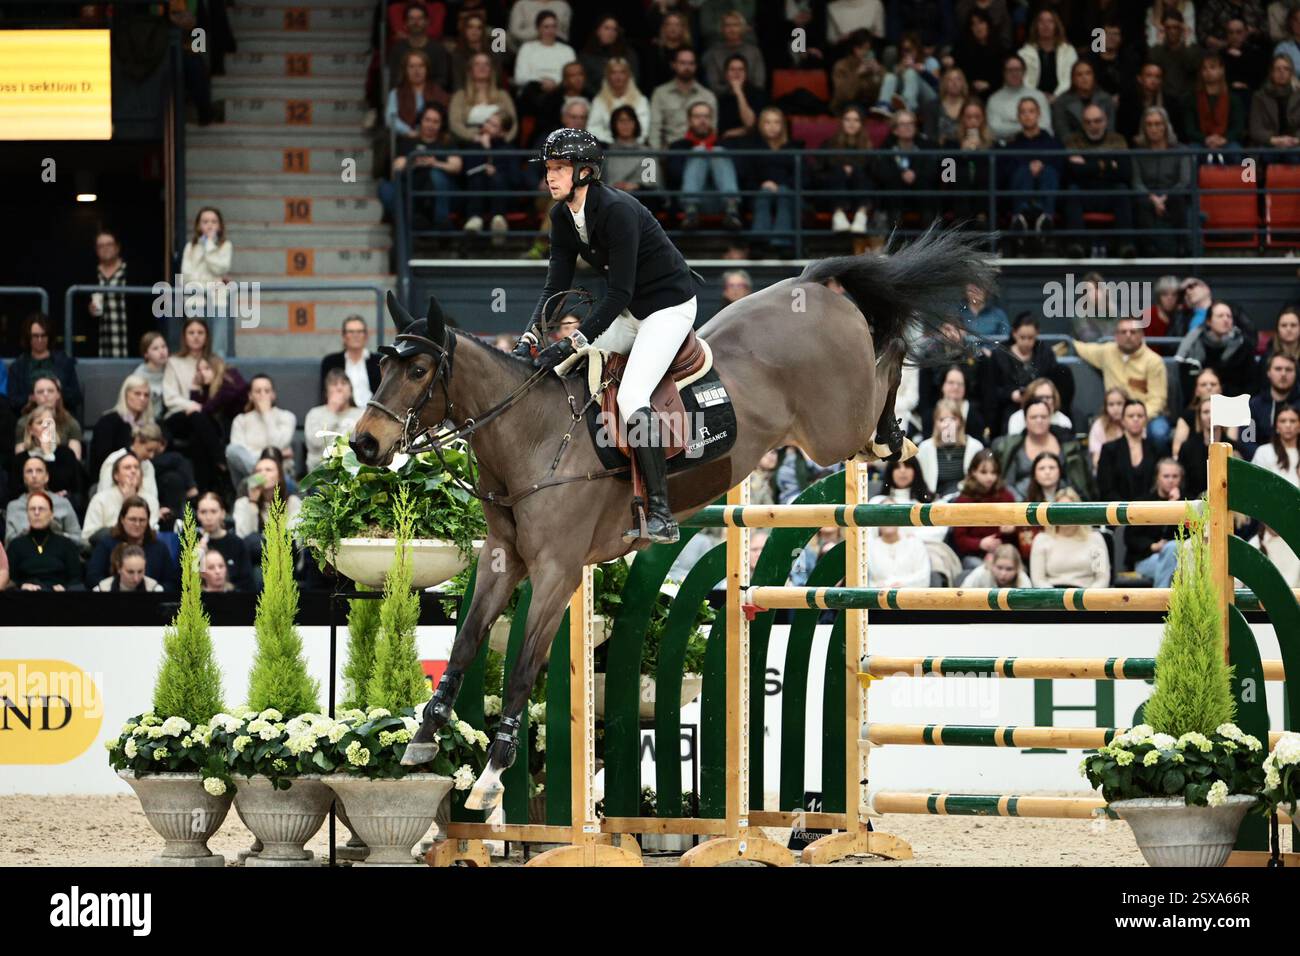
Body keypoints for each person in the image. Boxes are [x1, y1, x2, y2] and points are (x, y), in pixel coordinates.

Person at [513, 127, 699, 543]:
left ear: (584, 172)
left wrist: (576, 339)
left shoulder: (615, 209)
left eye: (558, 168)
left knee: (633, 396)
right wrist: (531, 334)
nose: (550, 176)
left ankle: (661, 512)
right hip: (631, 312)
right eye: (548, 168)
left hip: (667, 308)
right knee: (561, 367)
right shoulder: (561, 216)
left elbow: (619, 292)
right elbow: (554, 287)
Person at [1072, 317, 1172, 450]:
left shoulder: (1154, 361)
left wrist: (1135, 417)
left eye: (1133, 332)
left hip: (1147, 416)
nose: (1128, 336)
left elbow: (1158, 400)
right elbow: (1080, 348)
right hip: (1113, 414)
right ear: (1116, 335)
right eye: (1123, 332)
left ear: (1141, 335)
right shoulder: (1107, 352)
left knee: (1159, 432)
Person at [982, 312, 1072, 437]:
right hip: (1009, 408)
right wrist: (1011, 394)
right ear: (1014, 333)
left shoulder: (1045, 354)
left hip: (1043, 406)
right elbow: (991, 389)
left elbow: (1052, 383)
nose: (1026, 342)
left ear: (1037, 335)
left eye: (1031, 338)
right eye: (1022, 337)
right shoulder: (1000, 355)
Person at [1061, 103, 1134, 257]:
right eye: (1088, 122)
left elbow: (1125, 173)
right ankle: (1077, 245)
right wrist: (1107, 164)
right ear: (1083, 123)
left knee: (1122, 190)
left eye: (1097, 121)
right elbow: (1072, 173)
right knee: (1072, 191)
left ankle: (1125, 245)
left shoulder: (1117, 140)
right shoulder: (1073, 141)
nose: (1093, 126)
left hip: (1109, 192)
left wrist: (1087, 165)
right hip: (1084, 192)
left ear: (1105, 121)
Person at [162, 318, 226, 491]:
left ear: (207, 336)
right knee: (198, 419)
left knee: (199, 438)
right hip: (178, 416)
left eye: (200, 333)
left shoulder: (214, 362)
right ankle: (220, 461)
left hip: (203, 420)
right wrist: (191, 405)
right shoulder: (174, 362)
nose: (196, 337)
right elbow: (170, 397)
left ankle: (202, 494)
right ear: (184, 337)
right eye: (191, 333)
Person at [993, 398, 1093, 497]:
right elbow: (1007, 484)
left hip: (1063, 503)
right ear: (1025, 420)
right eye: (1033, 417)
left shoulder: (1068, 444)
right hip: (1022, 505)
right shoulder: (1012, 447)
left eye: (1043, 416)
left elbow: (1078, 480)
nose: (1039, 420)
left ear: (1050, 418)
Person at [668, 100, 743, 230]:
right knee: (699, 152)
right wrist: (699, 158)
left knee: (717, 151)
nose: (702, 121)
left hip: (721, 202)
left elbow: (741, 173)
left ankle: (732, 209)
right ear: (689, 121)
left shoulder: (725, 144)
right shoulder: (678, 146)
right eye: (697, 117)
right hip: (688, 203)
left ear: (712, 120)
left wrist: (712, 159)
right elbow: (674, 175)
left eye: (706, 117)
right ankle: (691, 211)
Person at [999, 96, 1064, 234]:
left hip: (1047, 193)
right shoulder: (1011, 146)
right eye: (1023, 112)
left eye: (1031, 111)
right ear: (1018, 116)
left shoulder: (1053, 143)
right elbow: (1005, 173)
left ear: (1039, 114)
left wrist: (1042, 166)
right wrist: (1028, 167)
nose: (1027, 115)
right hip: (1019, 192)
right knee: (1022, 171)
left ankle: (1046, 217)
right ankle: (1020, 218)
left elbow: (1061, 168)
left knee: (1049, 171)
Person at [1132, 106, 1192, 256]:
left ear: (1166, 126)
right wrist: (1153, 198)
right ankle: (1149, 250)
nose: (1154, 129)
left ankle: (1182, 247)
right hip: (1148, 195)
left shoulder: (1181, 151)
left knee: (1178, 199)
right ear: (1144, 128)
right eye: (1149, 124)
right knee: (1140, 202)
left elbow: (1184, 181)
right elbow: (1137, 182)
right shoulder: (1137, 153)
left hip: (1172, 194)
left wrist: (1165, 197)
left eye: (1158, 124)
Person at [743, 107, 802, 257]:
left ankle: (783, 243)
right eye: (767, 122)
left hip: (788, 193)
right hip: (760, 193)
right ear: (761, 125)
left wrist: (781, 185)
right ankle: (759, 242)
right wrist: (763, 185)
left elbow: (802, 177)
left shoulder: (794, 147)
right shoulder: (753, 148)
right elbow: (748, 178)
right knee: (765, 193)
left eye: (776, 122)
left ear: (783, 125)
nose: (772, 126)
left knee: (783, 192)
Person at [85, 496, 176, 590]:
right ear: (122, 519)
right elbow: (92, 578)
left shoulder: (159, 547)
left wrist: (156, 589)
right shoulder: (106, 544)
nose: (137, 524)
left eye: (142, 520)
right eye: (132, 519)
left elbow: (171, 582)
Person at [1029, 488, 1111, 587]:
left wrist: (1087, 598)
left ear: (1079, 511)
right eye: (1059, 510)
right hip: (1052, 596)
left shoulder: (1096, 539)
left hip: (1086, 595)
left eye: (1069, 509)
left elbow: (1102, 578)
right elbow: (1038, 580)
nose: (1064, 514)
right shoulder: (1041, 540)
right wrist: (1055, 598)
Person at [1175, 300, 1257, 399]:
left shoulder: (1243, 345)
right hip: (1199, 402)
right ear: (1209, 321)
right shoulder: (1194, 343)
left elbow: (1250, 383)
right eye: (1220, 316)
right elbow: (1186, 383)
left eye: (1229, 316)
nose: (1225, 319)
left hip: (1233, 402)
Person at [179, 207, 235, 353]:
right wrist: (207, 284)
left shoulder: (225, 246)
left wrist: (209, 246)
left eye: (214, 222)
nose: (209, 225)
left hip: (218, 300)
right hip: (195, 300)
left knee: (218, 346)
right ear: (198, 225)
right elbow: (186, 275)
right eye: (205, 222)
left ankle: (216, 375)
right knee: (196, 345)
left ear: (220, 225)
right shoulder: (190, 247)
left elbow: (221, 268)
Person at [870, 109, 938, 228]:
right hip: (896, 197)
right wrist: (900, 175)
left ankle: (930, 241)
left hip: (922, 195)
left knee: (928, 192)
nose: (908, 127)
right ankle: (895, 241)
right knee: (892, 189)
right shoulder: (886, 148)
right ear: (895, 130)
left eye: (911, 123)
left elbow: (936, 170)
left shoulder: (927, 145)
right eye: (903, 124)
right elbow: (880, 172)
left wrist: (916, 174)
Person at [951, 449, 1017, 568]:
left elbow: (1017, 535)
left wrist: (1012, 530)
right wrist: (980, 543)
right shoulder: (964, 500)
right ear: (973, 472)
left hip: (1004, 554)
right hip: (974, 554)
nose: (989, 477)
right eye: (984, 472)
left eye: (993, 472)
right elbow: (959, 539)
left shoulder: (1007, 496)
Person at [227, 375, 297, 488]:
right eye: (258, 391)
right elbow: (238, 454)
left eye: (267, 391)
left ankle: (265, 478)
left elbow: (277, 444)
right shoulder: (241, 420)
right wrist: (275, 454)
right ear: (250, 396)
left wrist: (266, 414)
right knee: (231, 449)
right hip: (250, 478)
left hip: (280, 477)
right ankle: (262, 477)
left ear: (273, 395)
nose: (262, 395)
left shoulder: (287, 417)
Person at [7, 313, 82, 417]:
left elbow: (76, 396)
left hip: (60, 418)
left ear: (49, 337)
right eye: (35, 336)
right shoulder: (18, 367)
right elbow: (12, 401)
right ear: (28, 337)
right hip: (29, 420)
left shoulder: (64, 363)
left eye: (43, 336)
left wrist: (59, 392)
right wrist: (31, 398)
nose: (39, 340)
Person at [813, 105, 872, 234]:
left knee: (858, 172)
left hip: (860, 194)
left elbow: (874, 175)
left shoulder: (868, 148)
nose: (852, 124)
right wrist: (840, 172)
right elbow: (817, 173)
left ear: (861, 123)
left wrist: (854, 171)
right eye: (848, 119)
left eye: (856, 120)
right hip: (833, 194)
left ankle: (861, 215)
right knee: (838, 171)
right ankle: (838, 214)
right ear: (842, 122)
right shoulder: (828, 145)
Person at [11, 410, 83, 515]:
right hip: (28, 510)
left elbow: (73, 486)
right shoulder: (20, 460)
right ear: (30, 430)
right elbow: (15, 491)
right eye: (40, 423)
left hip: (62, 509)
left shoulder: (66, 454)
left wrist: (48, 454)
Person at [1127, 458, 1186, 583]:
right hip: (1147, 559)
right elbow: (1130, 538)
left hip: (1181, 557)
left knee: (1174, 552)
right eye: (1166, 476)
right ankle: (1165, 601)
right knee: (1176, 560)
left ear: (1180, 479)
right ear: (1157, 478)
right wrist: (1153, 546)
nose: (1171, 480)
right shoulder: (1143, 503)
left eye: (1175, 476)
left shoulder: (1187, 504)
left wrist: (1174, 506)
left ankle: (1161, 601)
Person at [7, 492, 82, 591]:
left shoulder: (66, 545)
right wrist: (21, 586)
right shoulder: (16, 546)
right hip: (25, 598)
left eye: (41, 509)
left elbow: (76, 579)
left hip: (60, 598)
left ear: (51, 514)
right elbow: (9, 580)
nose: (36, 513)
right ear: (27, 514)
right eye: (32, 509)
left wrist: (65, 588)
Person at [234, 453, 302, 561]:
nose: (263, 474)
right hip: (255, 560)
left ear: (279, 477)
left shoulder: (292, 502)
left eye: (268, 470)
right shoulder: (243, 503)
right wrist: (253, 502)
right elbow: (244, 538)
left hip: (285, 559)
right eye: (258, 471)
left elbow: (293, 540)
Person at [82, 453, 160, 546]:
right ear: (116, 475)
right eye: (127, 468)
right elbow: (88, 536)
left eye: (136, 467)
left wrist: (131, 499)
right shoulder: (100, 499)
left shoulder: (151, 500)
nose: (133, 471)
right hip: (108, 549)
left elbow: (150, 532)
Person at [649, 47, 718, 149]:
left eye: (691, 63)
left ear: (696, 66)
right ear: (673, 65)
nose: (687, 67)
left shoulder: (707, 96)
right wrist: (656, 157)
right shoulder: (660, 94)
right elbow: (655, 130)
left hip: (701, 150)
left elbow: (713, 131)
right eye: (682, 63)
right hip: (672, 152)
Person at [89, 374, 155, 479]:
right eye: (137, 393)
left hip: (146, 473)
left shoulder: (151, 425)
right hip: (113, 476)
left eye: (146, 395)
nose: (142, 398)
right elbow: (102, 458)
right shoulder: (108, 421)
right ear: (125, 394)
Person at [1183, 52, 1245, 162]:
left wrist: (1224, 139)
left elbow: (1238, 127)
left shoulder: (1234, 98)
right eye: (1205, 69)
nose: (1208, 72)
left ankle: (1235, 180)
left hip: (1227, 141)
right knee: (1191, 153)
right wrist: (1206, 139)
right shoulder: (1191, 99)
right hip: (1201, 142)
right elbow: (1190, 129)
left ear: (1221, 70)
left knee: (1235, 152)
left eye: (1212, 67)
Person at [915, 398, 984, 497]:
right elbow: (919, 483)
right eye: (942, 420)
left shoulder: (975, 447)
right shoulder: (924, 448)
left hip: (965, 500)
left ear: (960, 421)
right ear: (935, 422)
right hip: (934, 501)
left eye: (952, 419)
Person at [4, 456, 81, 545]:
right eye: (29, 471)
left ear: (47, 477)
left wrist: (56, 534)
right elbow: (9, 543)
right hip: (25, 555)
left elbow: (79, 540)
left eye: (39, 470)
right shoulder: (14, 506)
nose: (34, 475)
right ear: (24, 478)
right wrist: (29, 532)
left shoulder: (62, 503)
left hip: (58, 554)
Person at [448, 51, 519, 143]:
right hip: (469, 143)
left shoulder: (503, 95)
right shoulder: (460, 96)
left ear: (491, 70)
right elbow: (455, 124)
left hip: (499, 143)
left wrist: (504, 139)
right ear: (470, 70)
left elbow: (513, 123)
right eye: (477, 64)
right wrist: (475, 137)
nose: (482, 67)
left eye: (486, 64)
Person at [1098, 399, 1160, 501]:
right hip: (1118, 511)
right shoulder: (1109, 450)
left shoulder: (1155, 449)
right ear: (1122, 420)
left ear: (1146, 420)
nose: (1136, 419)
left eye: (1140, 416)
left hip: (1150, 509)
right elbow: (1106, 489)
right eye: (1131, 416)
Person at [305, 369, 363, 472]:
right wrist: (333, 411)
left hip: (355, 471)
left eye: (344, 383)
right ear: (327, 392)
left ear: (351, 390)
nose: (339, 388)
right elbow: (315, 444)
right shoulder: (315, 414)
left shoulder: (362, 414)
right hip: (321, 474)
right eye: (334, 384)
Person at [89, 230, 135, 358]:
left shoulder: (131, 271)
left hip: (128, 342)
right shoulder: (89, 273)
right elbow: (79, 308)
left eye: (109, 244)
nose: (105, 249)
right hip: (101, 344)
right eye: (101, 246)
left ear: (117, 247)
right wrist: (88, 309)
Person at [195, 490, 254, 591]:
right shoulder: (191, 541)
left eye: (213, 511)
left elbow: (247, 583)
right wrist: (197, 558)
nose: (208, 517)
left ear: (222, 513)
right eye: (203, 512)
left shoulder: (237, 543)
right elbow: (185, 584)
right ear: (198, 514)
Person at [14, 375, 83, 460]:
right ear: (32, 397)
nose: (45, 394)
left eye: (50, 391)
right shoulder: (24, 423)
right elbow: (19, 459)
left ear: (58, 394)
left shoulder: (70, 422)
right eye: (40, 391)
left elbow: (75, 461)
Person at [1242, 353, 1300, 455]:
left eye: (1289, 370)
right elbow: (1247, 441)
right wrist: (1267, 459)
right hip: (1261, 465)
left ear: (1296, 373)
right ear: (1268, 372)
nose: (1283, 374)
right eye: (1278, 369)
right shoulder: (1253, 406)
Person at [319, 315, 382, 408]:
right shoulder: (331, 362)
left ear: (366, 336)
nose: (355, 335)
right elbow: (325, 394)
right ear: (344, 336)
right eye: (351, 332)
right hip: (341, 412)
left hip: (372, 415)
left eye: (359, 331)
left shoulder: (379, 362)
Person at [986, 54, 1052, 140]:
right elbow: (994, 129)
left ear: (1024, 72)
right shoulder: (994, 99)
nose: (1014, 74)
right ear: (1003, 73)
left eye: (1018, 70)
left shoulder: (1038, 96)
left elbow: (1045, 126)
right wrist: (1028, 127)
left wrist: (1009, 126)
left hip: (1038, 145)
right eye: (1010, 70)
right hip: (1007, 148)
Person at [587, 57, 651, 145]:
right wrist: (614, 142)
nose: (618, 77)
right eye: (613, 73)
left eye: (622, 72)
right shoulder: (598, 101)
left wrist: (630, 142)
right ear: (608, 76)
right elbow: (592, 128)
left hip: (636, 147)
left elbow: (645, 128)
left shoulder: (641, 100)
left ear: (628, 75)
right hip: (608, 149)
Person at [387, 50, 450, 137]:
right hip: (406, 139)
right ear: (405, 70)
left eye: (421, 66)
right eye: (411, 66)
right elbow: (390, 119)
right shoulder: (395, 93)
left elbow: (445, 120)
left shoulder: (439, 92)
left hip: (434, 141)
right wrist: (409, 132)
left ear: (427, 69)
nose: (416, 71)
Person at [701, 11, 766, 96]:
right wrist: (733, 89)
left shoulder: (754, 52)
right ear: (721, 29)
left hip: (751, 97)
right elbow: (713, 86)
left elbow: (759, 83)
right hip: (722, 98)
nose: (732, 29)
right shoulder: (713, 53)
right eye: (728, 25)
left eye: (736, 25)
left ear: (743, 28)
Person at [1172, 367, 1232, 456]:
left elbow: (1232, 446)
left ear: (1220, 389)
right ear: (1196, 391)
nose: (1209, 388)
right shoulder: (1187, 416)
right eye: (1203, 384)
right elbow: (1176, 451)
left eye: (1213, 384)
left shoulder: (1230, 413)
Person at [1178, 395, 1229, 498]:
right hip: (1194, 505)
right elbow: (1182, 483)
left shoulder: (1233, 447)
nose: (1210, 416)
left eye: (1214, 412)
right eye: (1206, 412)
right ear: (1199, 416)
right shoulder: (1187, 448)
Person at [1019, 8, 1076, 100]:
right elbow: (1024, 81)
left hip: (1062, 99)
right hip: (1031, 100)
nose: (1046, 25)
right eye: (1041, 22)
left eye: (1050, 21)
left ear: (1056, 26)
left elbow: (1070, 79)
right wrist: (1039, 97)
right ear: (1036, 26)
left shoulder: (1068, 51)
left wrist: (1056, 97)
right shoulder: (1024, 53)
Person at [1052, 60, 1115, 142]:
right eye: (1079, 75)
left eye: (1088, 73)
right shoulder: (1061, 102)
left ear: (1093, 76)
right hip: (1074, 148)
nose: (1084, 78)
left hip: (1103, 147)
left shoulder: (1106, 99)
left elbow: (1110, 130)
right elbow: (1062, 132)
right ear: (1073, 79)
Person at [1248, 54, 1300, 151]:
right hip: (1268, 144)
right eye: (1278, 69)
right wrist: (1275, 140)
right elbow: (1255, 130)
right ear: (1271, 72)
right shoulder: (1259, 97)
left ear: (1291, 73)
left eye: (1286, 69)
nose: (1282, 72)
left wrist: (1296, 140)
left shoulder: (1298, 96)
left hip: (1295, 144)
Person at [1149, 9, 1204, 102]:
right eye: (1168, 27)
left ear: (1182, 29)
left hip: (1188, 99)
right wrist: (1158, 42)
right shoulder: (1158, 50)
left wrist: (1187, 41)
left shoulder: (1192, 49)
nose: (1172, 31)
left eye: (1176, 27)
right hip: (1165, 98)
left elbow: (1191, 65)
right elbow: (1153, 66)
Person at [953, 9, 1005, 98]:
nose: (978, 27)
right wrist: (972, 84)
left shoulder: (1000, 49)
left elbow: (1002, 76)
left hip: (995, 93)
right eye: (973, 24)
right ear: (970, 29)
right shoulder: (963, 49)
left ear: (987, 24)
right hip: (969, 93)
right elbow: (961, 73)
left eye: (981, 22)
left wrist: (989, 85)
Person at [714, 54, 766, 142]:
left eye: (741, 69)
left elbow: (750, 124)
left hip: (753, 144)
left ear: (746, 74)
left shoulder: (758, 95)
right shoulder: (721, 99)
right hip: (728, 145)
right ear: (726, 74)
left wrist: (739, 93)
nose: (736, 73)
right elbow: (722, 132)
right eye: (732, 69)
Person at [579, 15, 639, 86]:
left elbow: (634, 78)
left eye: (614, 29)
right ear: (598, 31)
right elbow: (585, 83)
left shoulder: (627, 53)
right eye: (607, 28)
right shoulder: (586, 56)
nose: (611, 33)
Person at [867, 523, 931, 587]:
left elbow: (923, 577)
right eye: (883, 516)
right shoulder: (870, 547)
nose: (888, 521)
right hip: (880, 595)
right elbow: (866, 581)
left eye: (891, 516)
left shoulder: (915, 543)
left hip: (912, 594)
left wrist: (902, 583)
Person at [1251, 404, 1300, 486]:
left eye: (1293, 421)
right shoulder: (1264, 451)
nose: (1288, 425)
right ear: (1276, 427)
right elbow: (1257, 483)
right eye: (1283, 421)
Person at [1004, 377, 1072, 435]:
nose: (1044, 401)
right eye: (1040, 397)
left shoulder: (1063, 421)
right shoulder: (1017, 419)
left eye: (1048, 397)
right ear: (1030, 398)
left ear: (1054, 399)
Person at [132, 330, 171, 422]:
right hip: (146, 419)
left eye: (163, 346)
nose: (162, 351)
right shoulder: (139, 375)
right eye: (155, 348)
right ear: (146, 354)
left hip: (167, 418)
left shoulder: (171, 369)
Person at [92, 543, 164, 593]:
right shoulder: (101, 590)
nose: (136, 578)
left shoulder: (155, 589)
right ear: (119, 568)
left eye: (140, 571)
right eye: (130, 572)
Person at [1088, 387, 1128, 468]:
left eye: (1119, 404)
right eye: (1111, 404)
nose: (1115, 408)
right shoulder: (1099, 425)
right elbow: (1096, 460)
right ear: (1106, 407)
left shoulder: (1133, 422)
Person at [961, 541, 1032, 587]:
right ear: (992, 565)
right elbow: (962, 596)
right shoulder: (980, 573)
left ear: (1017, 569)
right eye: (999, 567)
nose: (1003, 573)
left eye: (1009, 569)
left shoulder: (1023, 580)